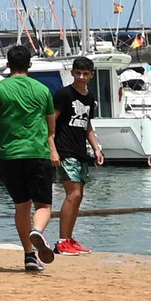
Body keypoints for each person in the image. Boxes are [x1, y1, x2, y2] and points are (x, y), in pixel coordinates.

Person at [0, 45, 58, 273]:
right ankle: (38, 231)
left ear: (8, 65)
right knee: (43, 205)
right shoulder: (42, 90)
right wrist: (52, 147)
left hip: (9, 155)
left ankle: (29, 256)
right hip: (37, 152)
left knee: (21, 206)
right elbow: (51, 125)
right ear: (29, 65)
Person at [49, 55, 103, 255]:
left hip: (80, 151)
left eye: (85, 74)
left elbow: (88, 125)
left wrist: (96, 148)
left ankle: (69, 239)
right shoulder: (64, 95)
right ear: (72, 73)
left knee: (79, 196)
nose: (81, 77)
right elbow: (51, 122)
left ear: (91, 75)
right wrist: (52, 149)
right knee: (74, 194)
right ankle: (62, 241)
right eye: (78, 73)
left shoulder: (89, 97)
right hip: (65, 150)